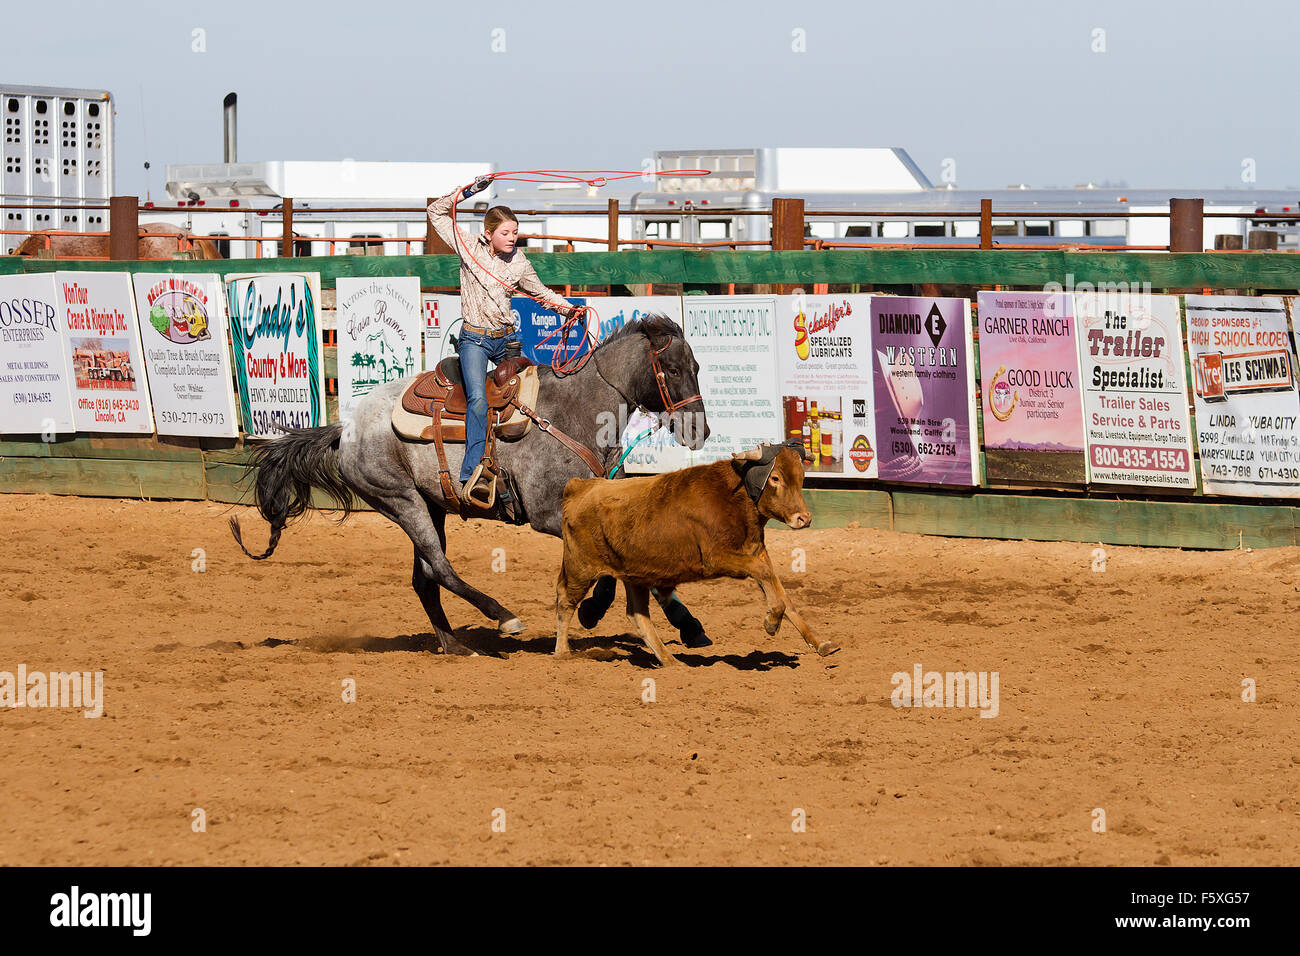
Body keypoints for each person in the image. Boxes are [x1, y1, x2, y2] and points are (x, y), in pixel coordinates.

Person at [427, 174, 580, 507]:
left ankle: (533, 469)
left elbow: (541, 293)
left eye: (515, 232)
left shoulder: (519, 262)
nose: (513, 238)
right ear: (489, 233)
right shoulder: (467, 246)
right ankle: (471, 474)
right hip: (475, 341)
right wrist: (471, 190)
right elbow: (437, 212)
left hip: (507, 340)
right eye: (506, 233)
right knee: (478, 401)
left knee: (535, 395)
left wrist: (569, 309)